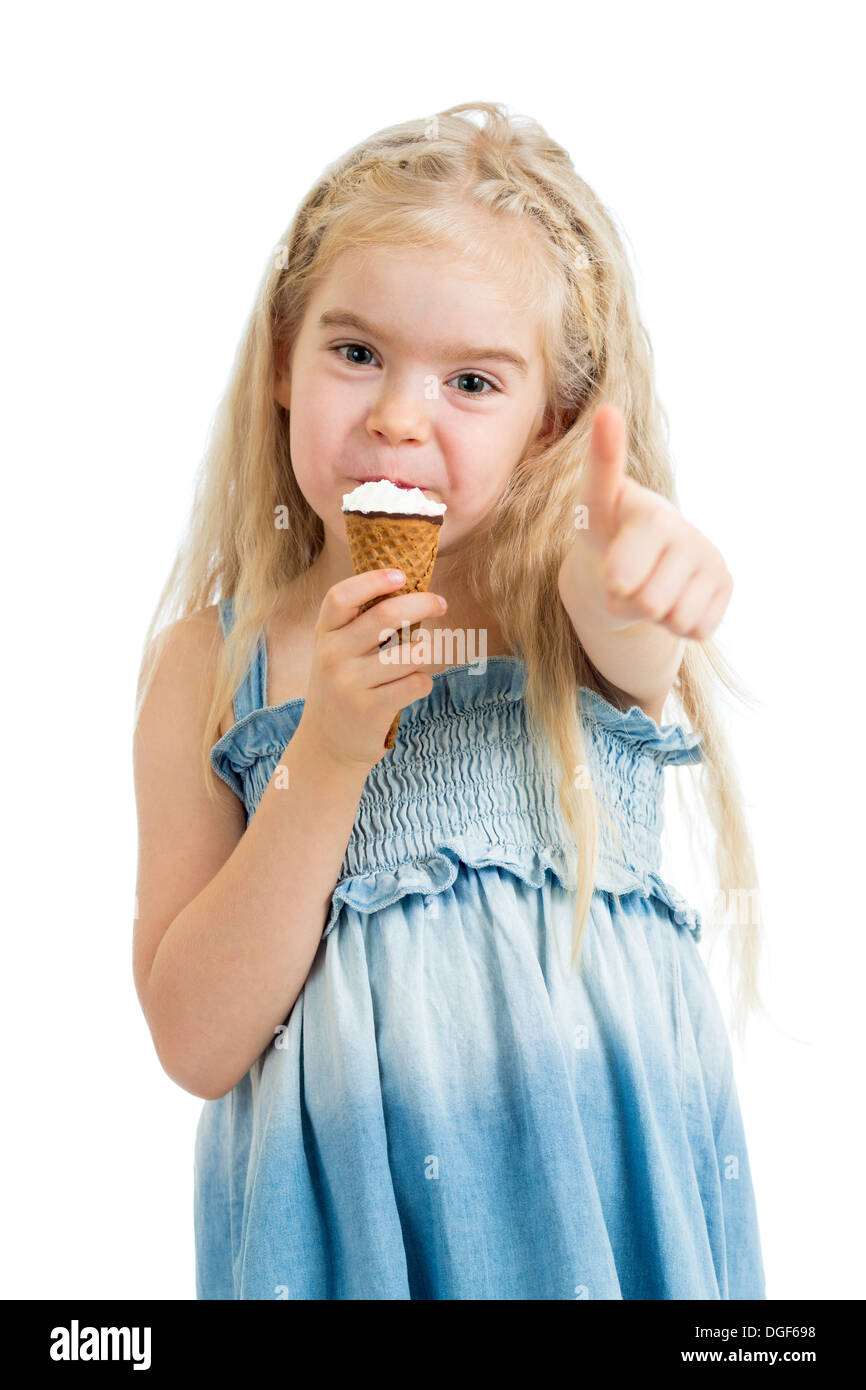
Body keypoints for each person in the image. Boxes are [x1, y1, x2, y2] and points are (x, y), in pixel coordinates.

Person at [133, 102, 767, 1299]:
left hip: (593, 1215)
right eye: (355, 351)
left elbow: (633, 633)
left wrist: (648, 566)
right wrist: (323, 756)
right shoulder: (206, 669)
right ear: (281, 353)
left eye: (472, 379)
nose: (398, 414)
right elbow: (195, 1040)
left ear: (553, 423)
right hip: (349, 1243)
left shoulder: (566, 608)